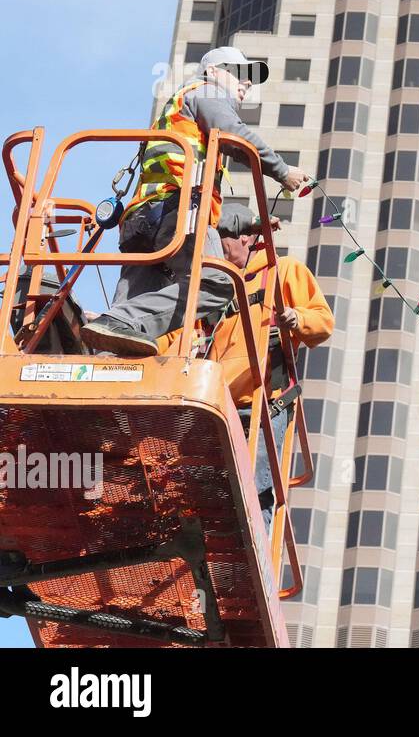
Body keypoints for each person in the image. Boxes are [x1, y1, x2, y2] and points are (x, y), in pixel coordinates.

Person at [82, 47, 308, 356]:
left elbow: (195, 194)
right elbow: (234, 134)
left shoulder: (176, 113)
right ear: (214, 72)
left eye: (249, 80)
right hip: (178, 212)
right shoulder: (208, 91)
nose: (246, 85)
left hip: (146, 218)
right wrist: (281, 171)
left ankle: (104, 360)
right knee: (217, 283)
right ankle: (119, 322)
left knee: (128, 311)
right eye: (239, 75)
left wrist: (250, 222)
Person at [157, 203, 333, 532]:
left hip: (263, 407)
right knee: (196, 489)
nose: (217, 248)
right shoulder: (213, 289)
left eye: (221, 238)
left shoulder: (284, 271)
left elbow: (323, 322)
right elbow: (179, 336)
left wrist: (297, 318)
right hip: (216, 406)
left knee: (252, 492)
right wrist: (138, 342)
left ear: (247, 238)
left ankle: (253, 550)